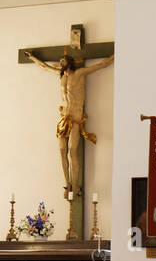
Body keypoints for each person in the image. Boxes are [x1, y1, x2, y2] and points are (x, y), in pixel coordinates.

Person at [25, 49, 114, 196]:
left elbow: (101, 65)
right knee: (61, 151)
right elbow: (45, 67)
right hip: (64, 117)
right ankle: (67, 184)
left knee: (72, 151)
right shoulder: (61, 77)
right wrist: (33, 58)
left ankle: (76, 185)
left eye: (63, 61)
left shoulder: (79, 74)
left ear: (70, 63)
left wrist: (114, 55)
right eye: (60, 61)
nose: (60, 63)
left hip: (75, 118)